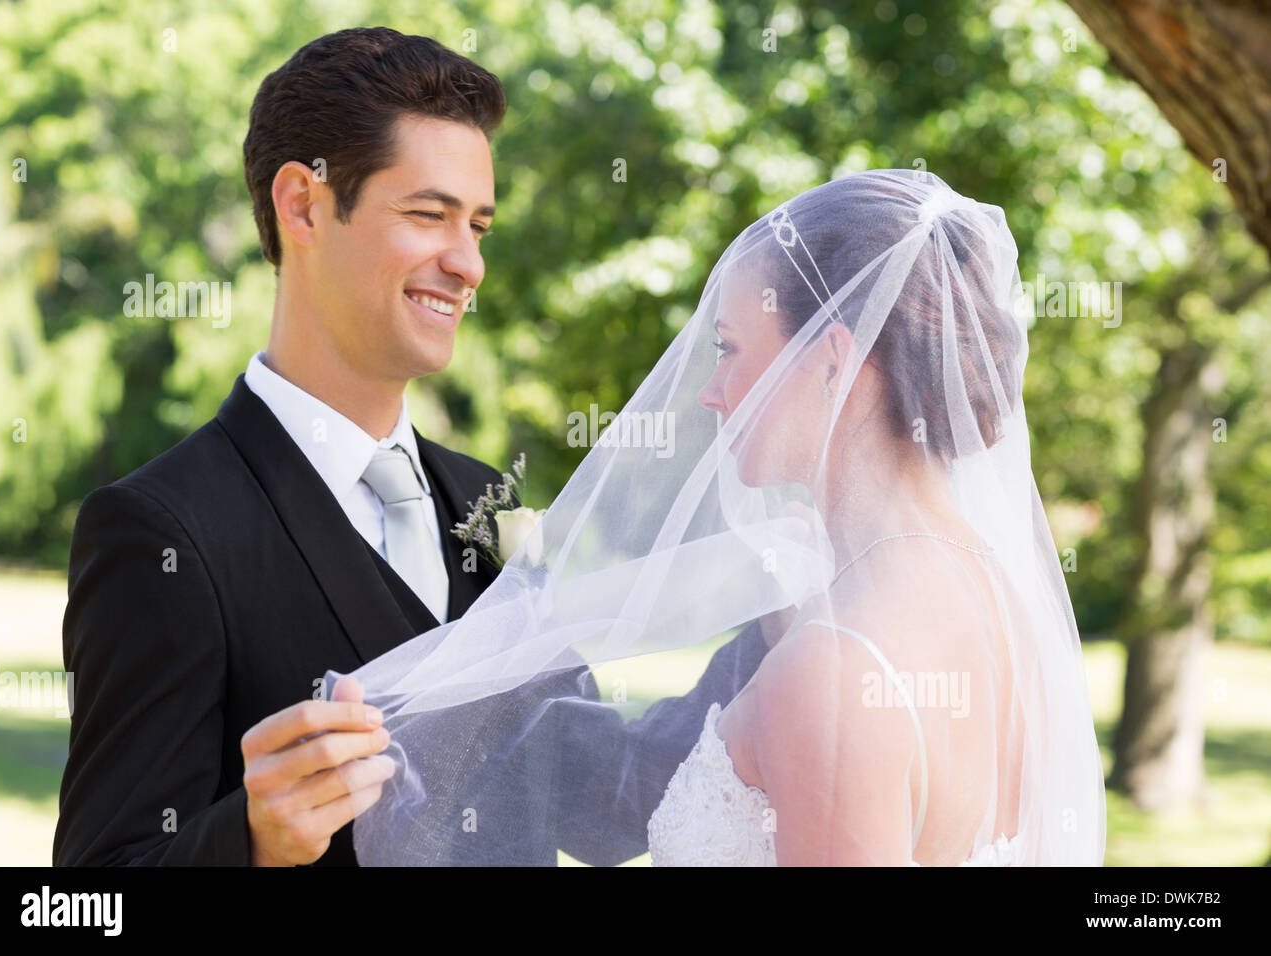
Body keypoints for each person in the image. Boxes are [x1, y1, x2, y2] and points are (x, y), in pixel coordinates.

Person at [54, 26, 765, 867]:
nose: (467, 264)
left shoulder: (489, 502)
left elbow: (608, 804)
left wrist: (802, 614)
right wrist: (246, 839)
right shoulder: (161, 531)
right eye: (429, 214)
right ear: (304, 204)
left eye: (479, 226)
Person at [334, 169, 1108, 866]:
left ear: (835, 359)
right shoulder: (999, 599)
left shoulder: (834, 668)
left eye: (731, 349)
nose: (710, 390)